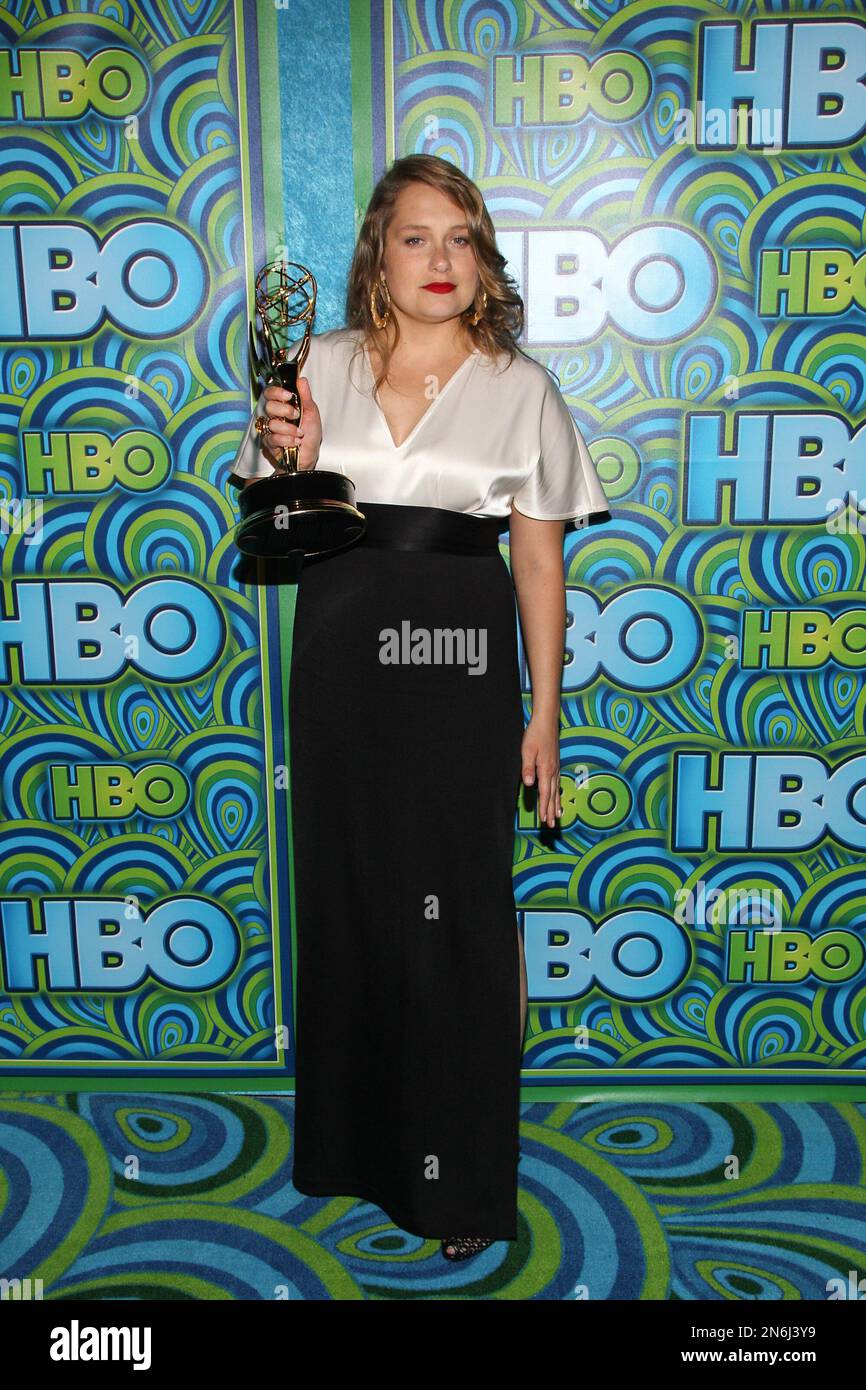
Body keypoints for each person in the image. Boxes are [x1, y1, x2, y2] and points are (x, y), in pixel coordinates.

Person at [230, 154, 610, 1262]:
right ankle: (355, 1152)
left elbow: (537, 565)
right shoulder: (320, 365)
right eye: (413, 237)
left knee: (455, 926)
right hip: (343, 654)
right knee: (351, 903)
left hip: (458, 665)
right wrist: (278, 452)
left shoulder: (519, 387)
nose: (438, 259)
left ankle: (456, 1185)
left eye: (459, 238)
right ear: (376, 256)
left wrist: (543, 714)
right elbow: (272, 510)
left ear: (481, 257)